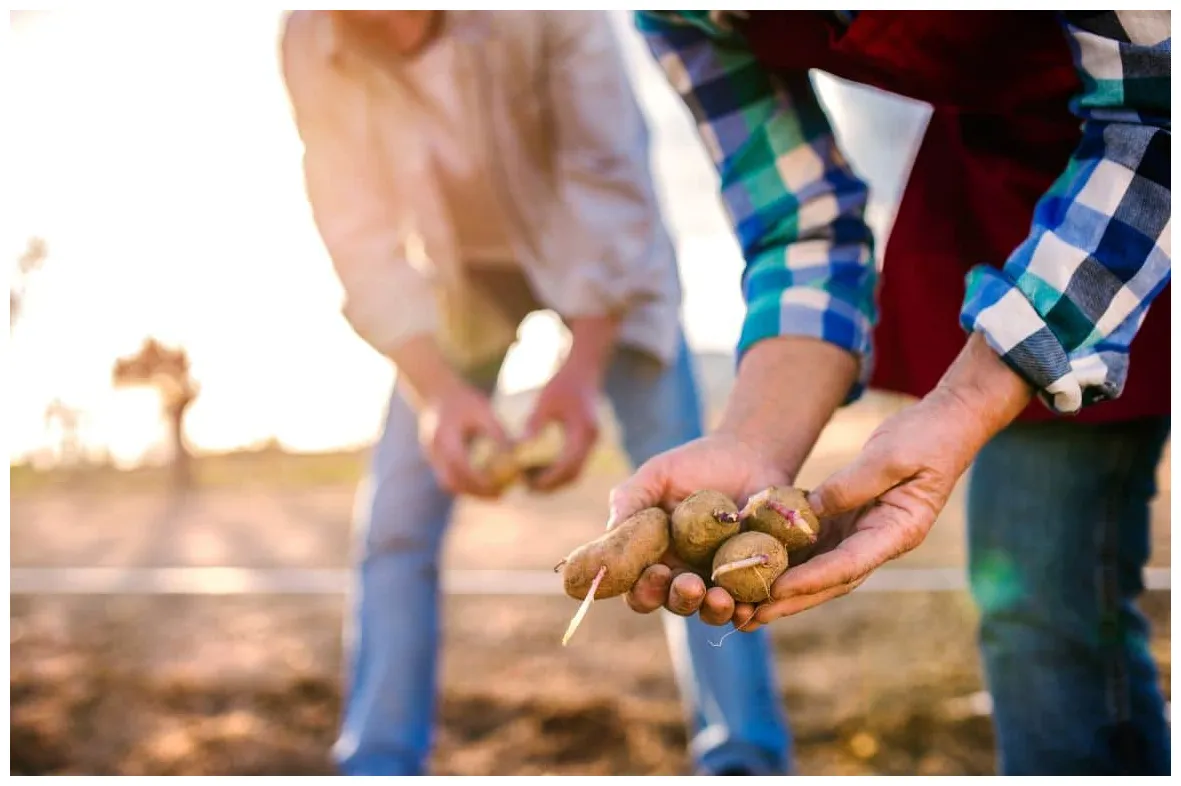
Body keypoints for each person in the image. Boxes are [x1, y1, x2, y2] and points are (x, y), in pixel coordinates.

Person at [613, 10, 1171, 776]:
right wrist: (753, 441)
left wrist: (965, 402)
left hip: (1142, 161)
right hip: (1032, 203)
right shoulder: (679, 14)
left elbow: (1158, 112)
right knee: (1038, 600)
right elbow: (800, 227)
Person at [279, 9, 792, 777]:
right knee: (394, 523)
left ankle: (742, 759)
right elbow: (354, 229)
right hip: (459, 279)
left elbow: (608, 184)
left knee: (695, 515)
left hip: (608, 268)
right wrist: (438, 393)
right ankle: (378, 764)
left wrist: (580, 371)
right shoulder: (310, 39)